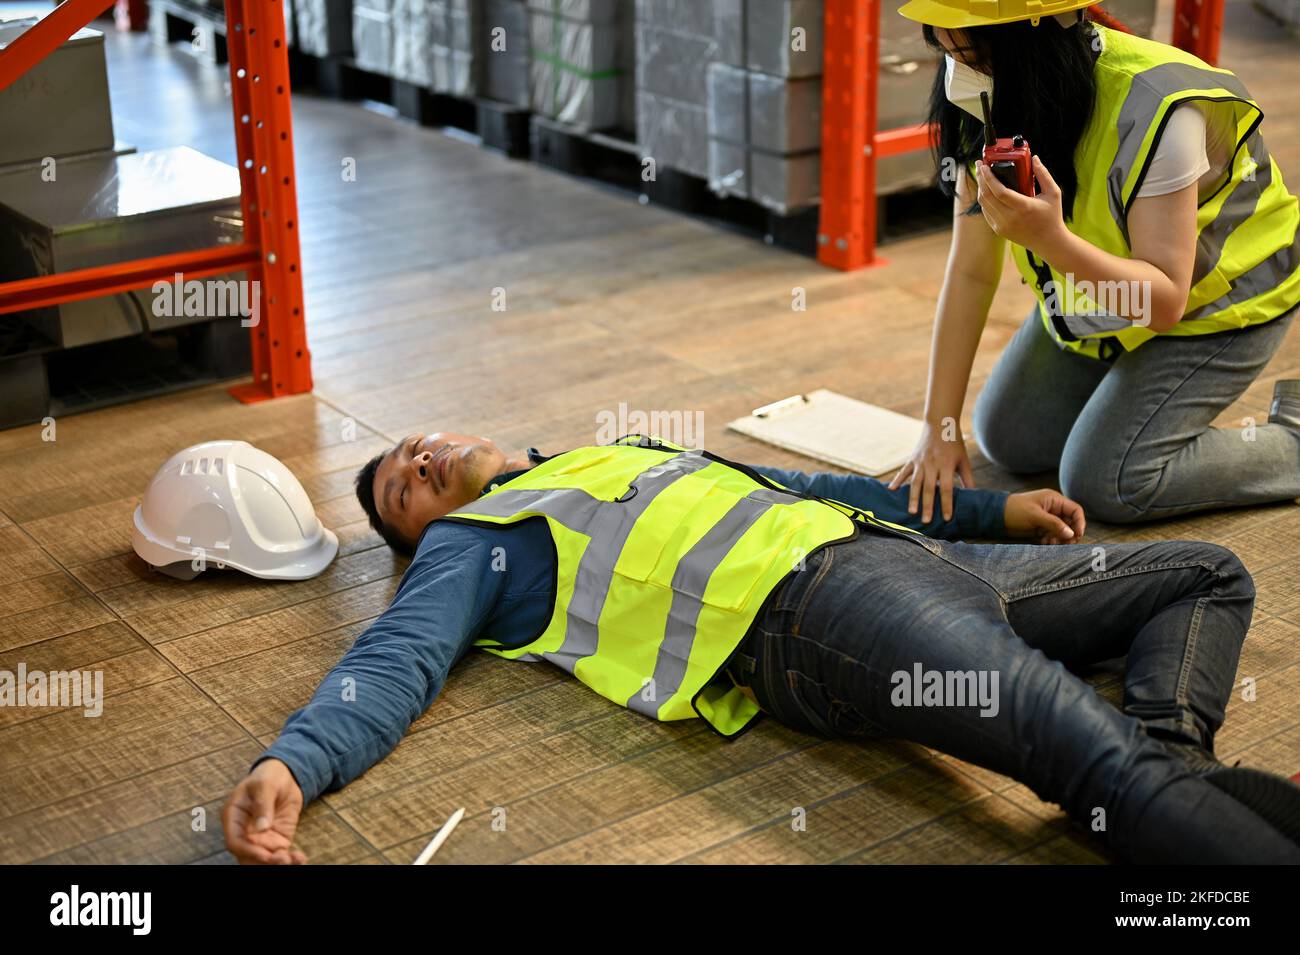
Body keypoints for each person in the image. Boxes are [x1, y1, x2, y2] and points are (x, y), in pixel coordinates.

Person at [222, 430, 1300, 864]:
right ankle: (1162, 795)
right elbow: (395, 658)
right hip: (818, 623)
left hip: (907, 561)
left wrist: (989, 510)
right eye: (400, 488)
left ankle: (1172, 786)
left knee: (1204, 573)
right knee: (1096, 763)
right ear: (418, 536)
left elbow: (812, 487)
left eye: (409, 447)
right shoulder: (472, 546)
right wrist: (294, 761)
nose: (416, 459)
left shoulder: (611, 447)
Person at [888, 2, 1300, 526]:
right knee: (1008, 440)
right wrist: (937, 427)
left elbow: (1165, 301)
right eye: (944, 53)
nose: (957, 74)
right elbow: (970, 270)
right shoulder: (988, 99)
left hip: (1218, 305)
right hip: (1102, 301)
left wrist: (1050, 239)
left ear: (1031, 46)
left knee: (1109, 482)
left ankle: (1293, 439)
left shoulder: (1158, 108)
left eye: (969, 55)